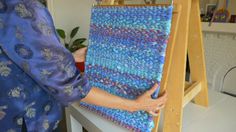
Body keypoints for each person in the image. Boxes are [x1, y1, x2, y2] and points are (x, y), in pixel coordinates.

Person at [0, 0, 167, 131]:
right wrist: (134, 106)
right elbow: (70, 87)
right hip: (21, 120)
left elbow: (20, 59)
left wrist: (70, 58)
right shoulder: (23, 9)